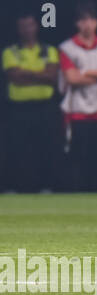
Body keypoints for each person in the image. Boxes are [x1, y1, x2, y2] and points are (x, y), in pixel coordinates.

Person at [58, 2, 97, 192]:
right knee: (79, 157)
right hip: (78, 110)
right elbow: (72, 78)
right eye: (83, 20)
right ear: (77, 23)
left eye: (91, 19)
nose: (88, 24)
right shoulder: (67, 47)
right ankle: (78, 195)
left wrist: (85, 72)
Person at [2, 13, 61, 192]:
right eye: (23, 26)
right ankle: (14, 187)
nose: (27, 30)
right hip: (19, 109)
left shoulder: (49, 50)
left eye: (30, 25)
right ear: (18, 29)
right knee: (17, 149)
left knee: (46, 148)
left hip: (44, 108)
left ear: (36, 27)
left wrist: (25, 72)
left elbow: (52, 77)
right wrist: (39, 74)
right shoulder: (10, 51)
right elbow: (14, 77)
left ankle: (47, 186)